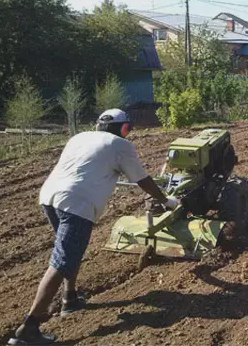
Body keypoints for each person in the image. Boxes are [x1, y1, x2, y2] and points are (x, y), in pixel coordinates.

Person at [9, 109, 179, 345]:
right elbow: (142, 180)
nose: (127, 134)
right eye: (127, 129)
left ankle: (70, 299)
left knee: (70, 252)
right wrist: (166, 200)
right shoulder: (120, 145)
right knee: (61, 262)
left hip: (49, 197)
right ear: (122, 129)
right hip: (77, 203)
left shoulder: (78, 137)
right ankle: (28, 328)